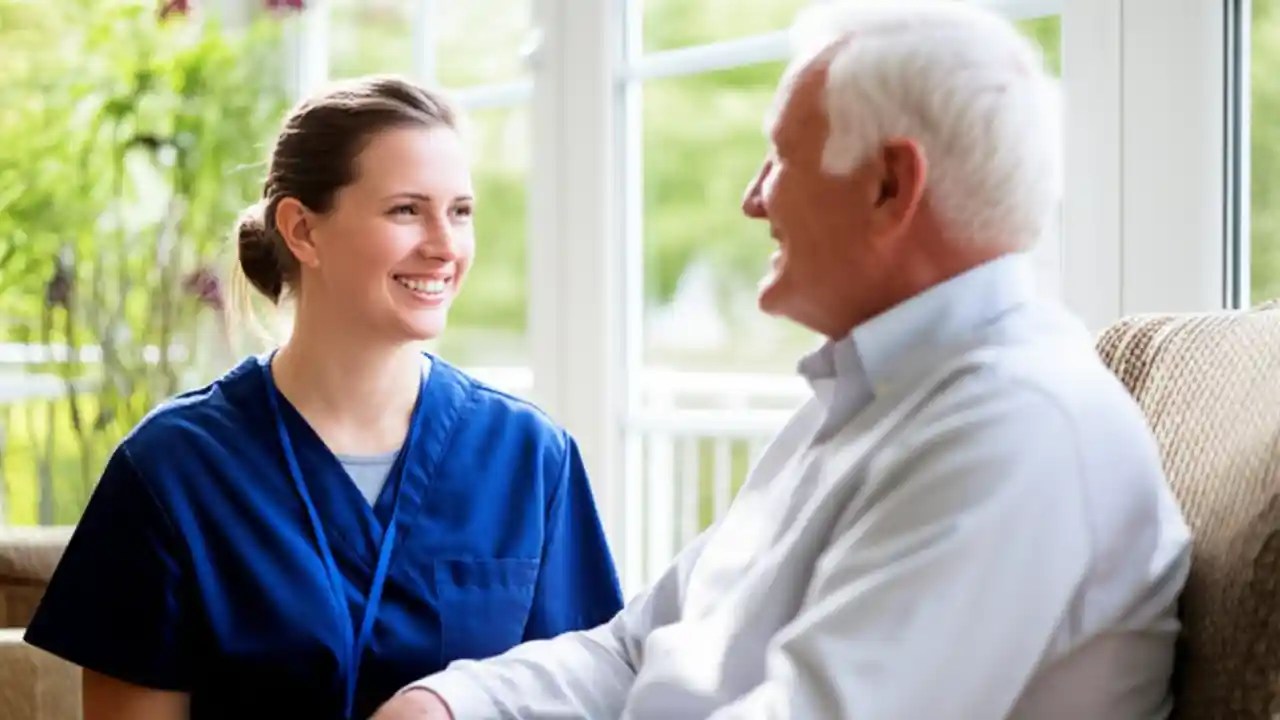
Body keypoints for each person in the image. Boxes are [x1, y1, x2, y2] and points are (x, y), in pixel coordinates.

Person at [372, 3, 1193, 719]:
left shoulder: (1017, 426)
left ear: (888, 185)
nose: (754, 197)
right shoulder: (860, 400)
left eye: (782, 158)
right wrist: (449, 701)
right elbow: (636, 649)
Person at [24, 75, 624, 720]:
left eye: (460, 211)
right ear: (303, 231)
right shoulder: (171, 470)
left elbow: (588, 691)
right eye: (406, 210)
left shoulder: (530, 458)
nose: (446, 246)